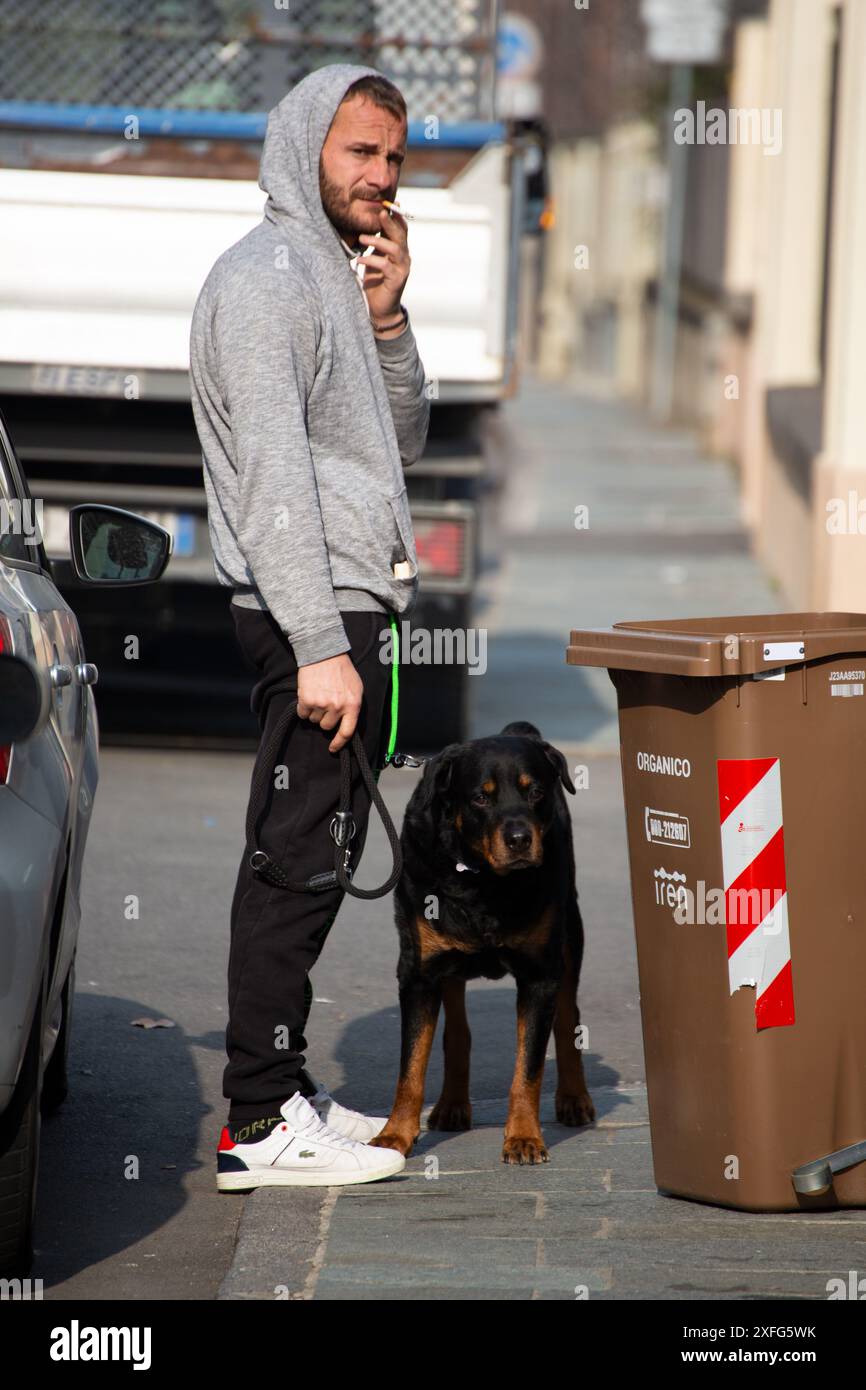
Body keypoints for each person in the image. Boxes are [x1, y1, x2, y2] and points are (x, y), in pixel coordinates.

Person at [189, 64, 429, 1190]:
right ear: (303, 149)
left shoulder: (334, 280)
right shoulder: (267, 277)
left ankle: (280, 1090)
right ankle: (254, 1121)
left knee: (322, 860)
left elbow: (399, 445)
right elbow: (276, 477)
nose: (380, 177)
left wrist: (385, 318)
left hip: (341, 604)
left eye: (391, 157)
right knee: (292, 865)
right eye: (358, 154)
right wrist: (322, 644)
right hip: (307, 611)